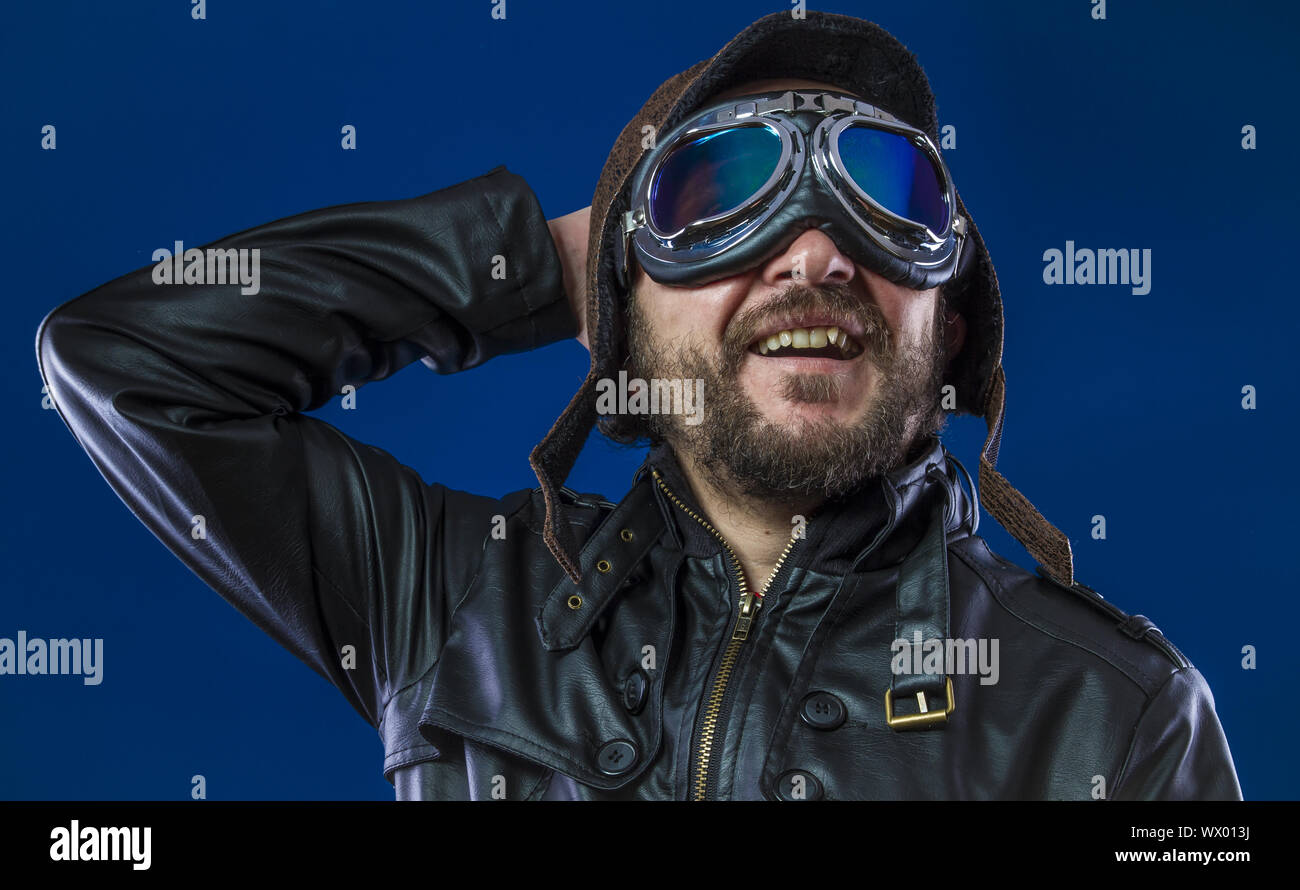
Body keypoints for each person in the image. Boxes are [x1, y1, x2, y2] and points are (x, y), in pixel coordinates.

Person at [35, 11, 1241, 800]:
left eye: (883, 195)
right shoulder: (453, 604)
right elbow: (125, 361)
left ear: (951, 337)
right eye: (723, 194)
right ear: (619, 315)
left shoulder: (1117, 718)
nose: (813, 255)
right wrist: (540, 261)